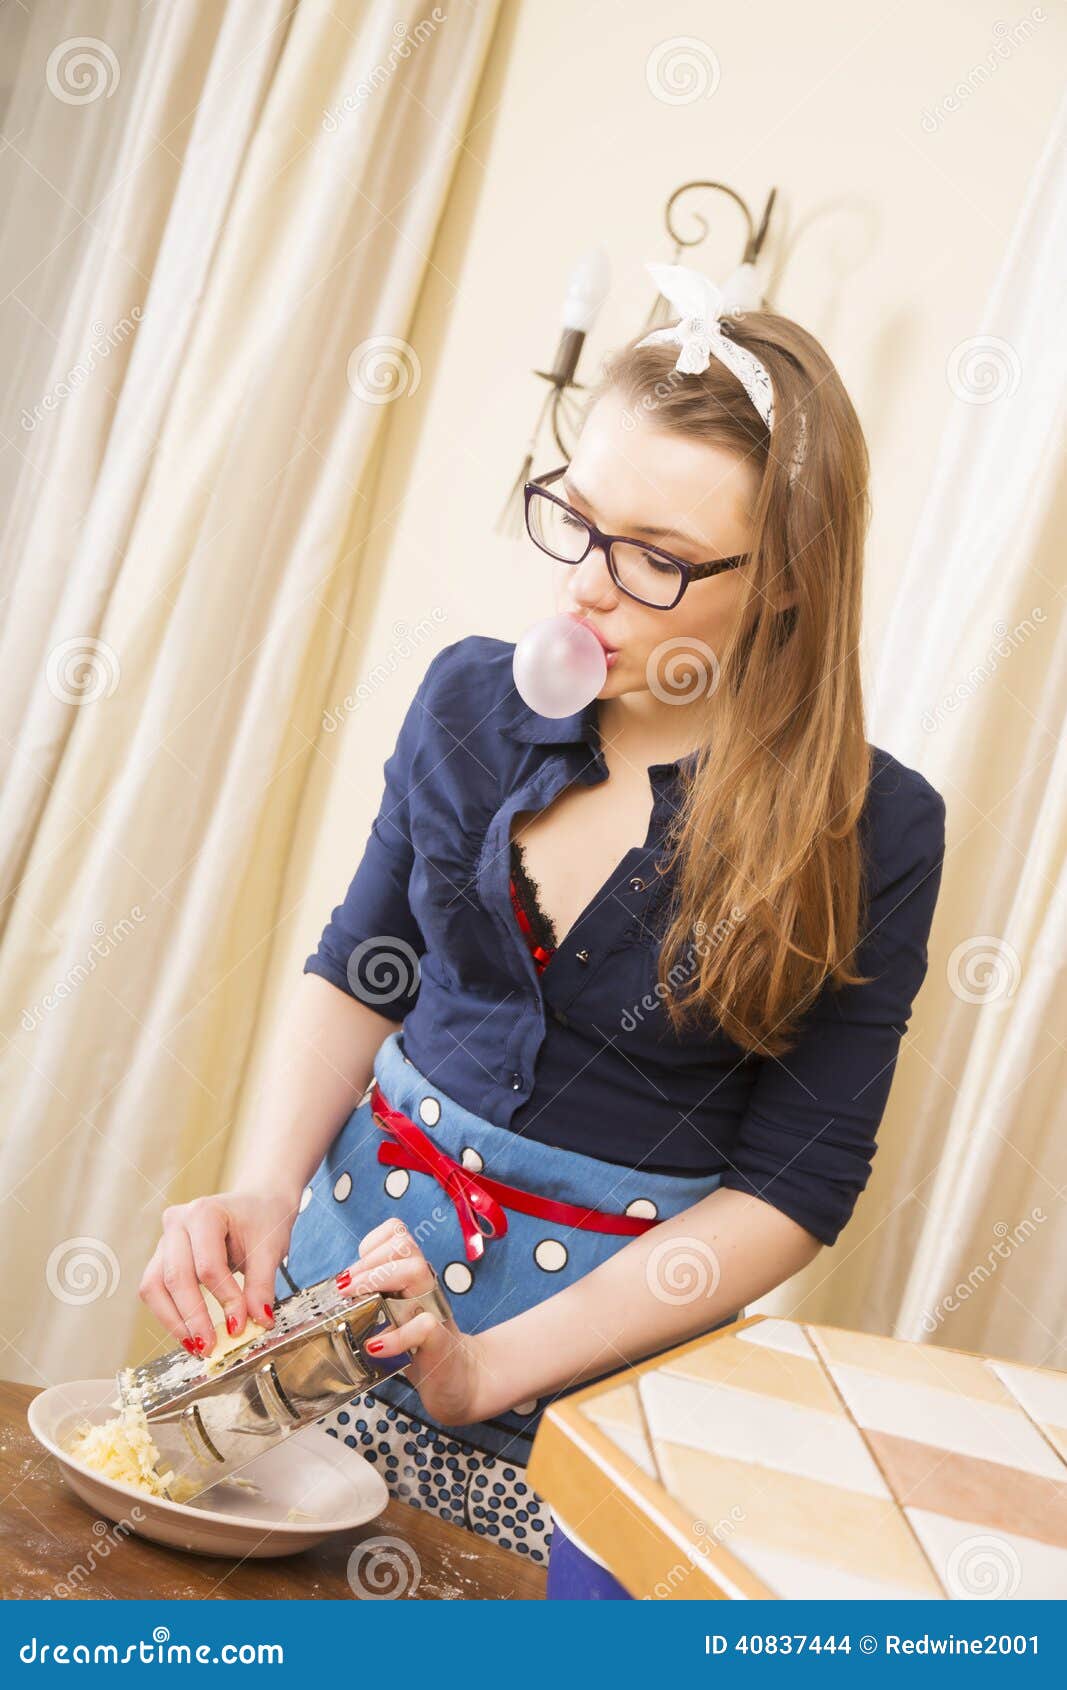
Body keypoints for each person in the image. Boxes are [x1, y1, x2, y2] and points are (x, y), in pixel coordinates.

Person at [137, 269, 947, 1590]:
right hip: (330, 1297)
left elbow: (796, 1183)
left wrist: (485, 1369)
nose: (587, 586)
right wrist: (265, 1198)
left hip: (586, 1393)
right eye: (575, 518)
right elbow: (362, 968)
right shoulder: (465, 696)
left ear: (790, 579)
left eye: (657, 557)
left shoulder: (875, 830)